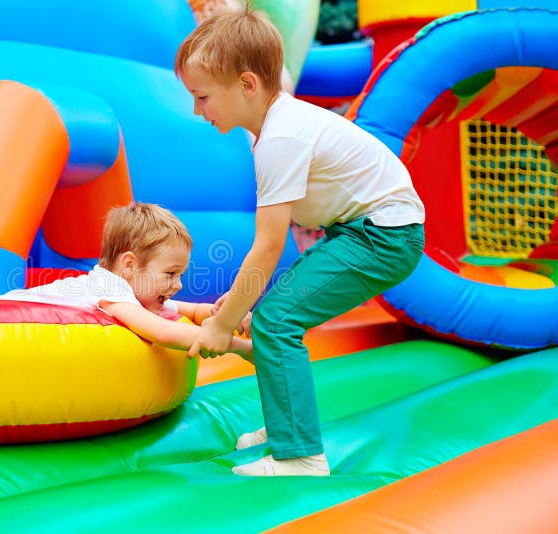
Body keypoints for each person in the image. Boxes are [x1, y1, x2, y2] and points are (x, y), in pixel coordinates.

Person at [174, 2, 425, 476]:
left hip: (384, 235)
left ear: (247, 85)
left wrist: (222, 323)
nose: (196, 109)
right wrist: (238, 300)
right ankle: (288, 422)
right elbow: (275, 243)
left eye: (202, 96)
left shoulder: (280, 140)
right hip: (362, 229)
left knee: (274, 320)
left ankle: (301, 455)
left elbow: (268, 246)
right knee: (273, 314)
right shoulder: (276, 125)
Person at [0, 202, 253, 360]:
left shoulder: (135, 293)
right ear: (130, 265)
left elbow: (190, 311)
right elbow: (163, 333)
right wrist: (240, 348)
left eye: (180, 275)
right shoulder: (109, 288)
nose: (178, 284)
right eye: (170, 274)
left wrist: (227, 316)